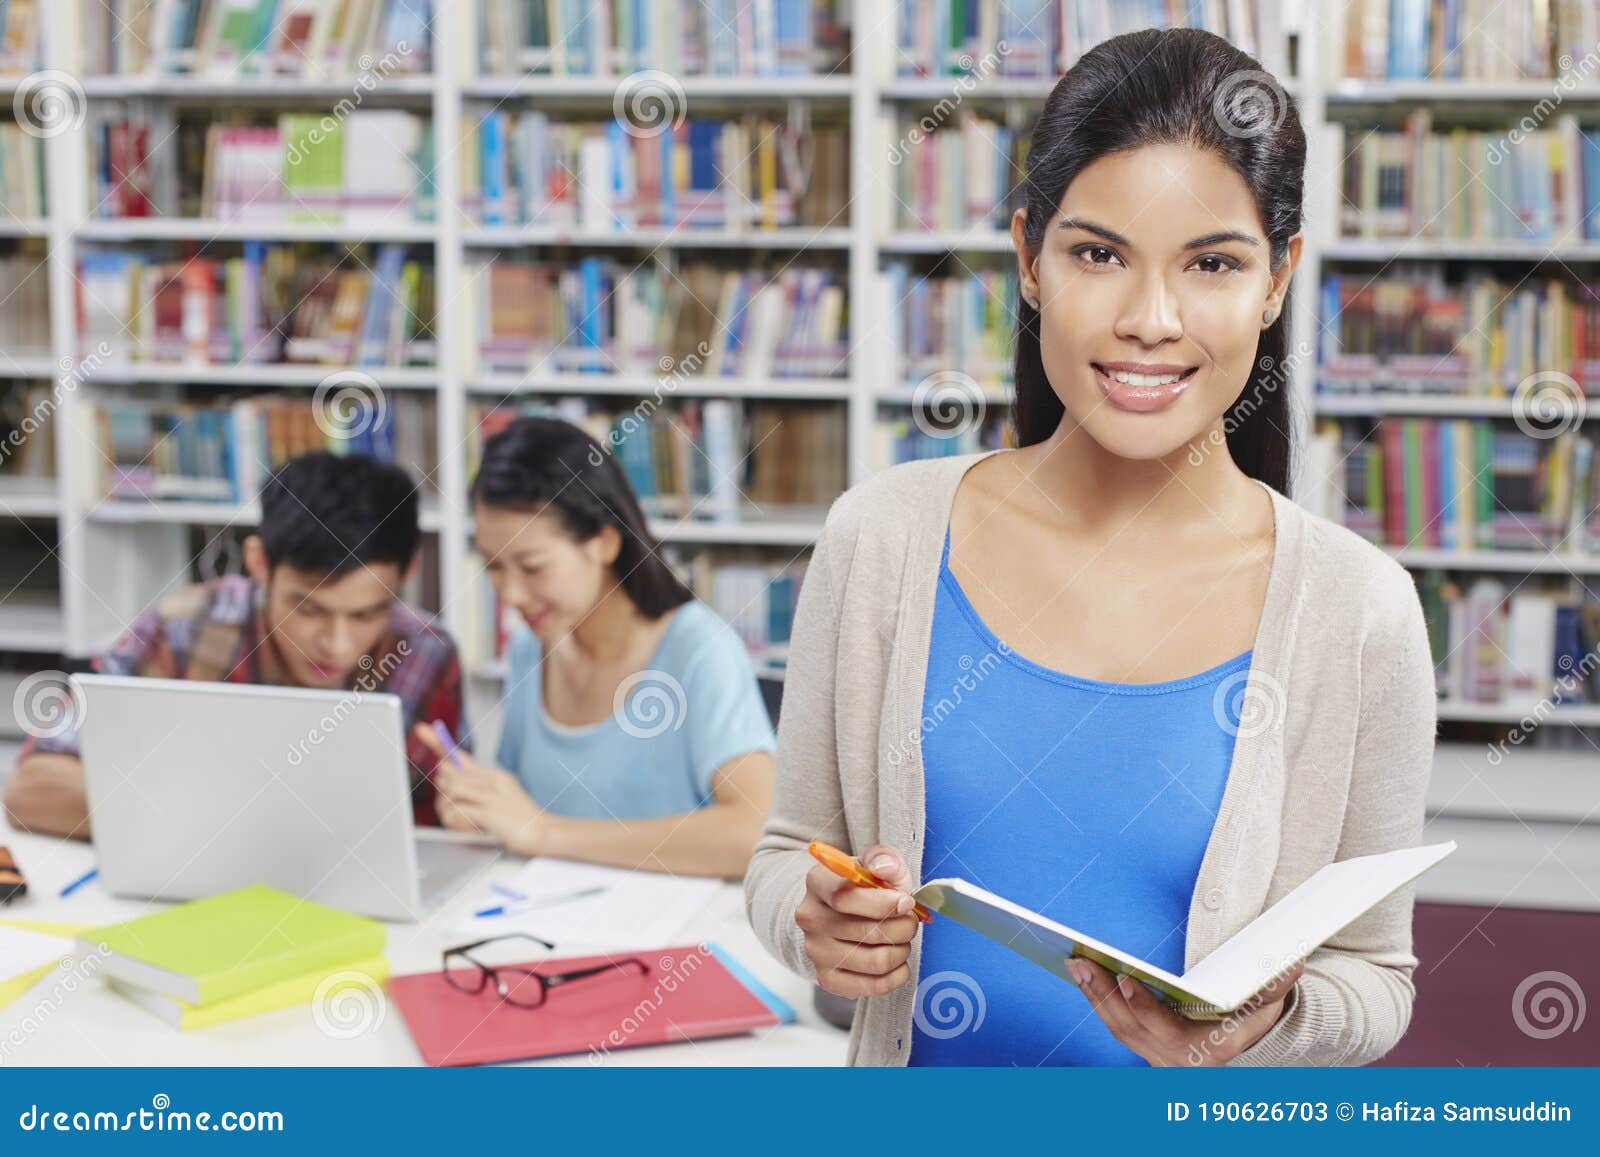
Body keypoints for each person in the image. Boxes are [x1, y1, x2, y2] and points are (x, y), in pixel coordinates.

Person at [745, 28, 1437, 1066]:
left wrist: (1269, 1023)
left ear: (1277, 279)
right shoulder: (879, 538)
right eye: (1097, 253)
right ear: (1028, 257)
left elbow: (1375, 977)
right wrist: (816, 920)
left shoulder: (1359, 611)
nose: (1149, 318)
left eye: (1211, 263)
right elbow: (782, 854)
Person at [4, 452, 464, 839]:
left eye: (367, 614)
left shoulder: (426, 653)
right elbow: (31, 791)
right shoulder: (181, 630)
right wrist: (219, 820)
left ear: (407, 574)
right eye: (308, 609)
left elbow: (444, 823)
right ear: (259, 563)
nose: (338, 645)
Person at [413, 416, 776, 879]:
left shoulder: (699, 650)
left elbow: (754, 832)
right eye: (494, 567)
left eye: (533, 566)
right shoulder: (532, 648)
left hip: (671, 936)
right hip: (547, 925)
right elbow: (520, 816)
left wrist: (547, 833)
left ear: (603, 542)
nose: (511, 595)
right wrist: (481, 813)